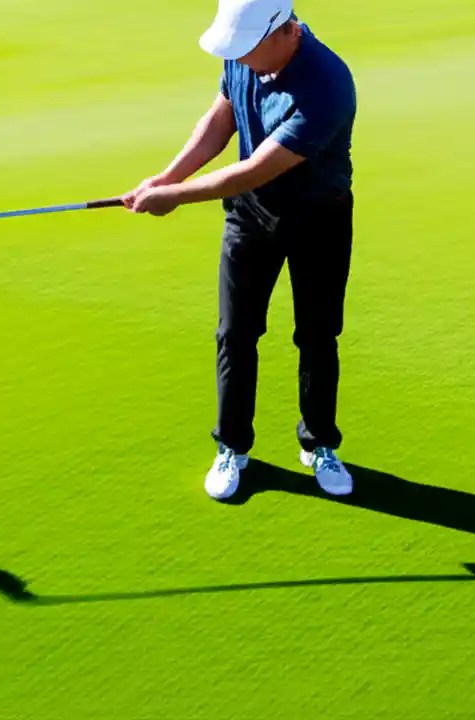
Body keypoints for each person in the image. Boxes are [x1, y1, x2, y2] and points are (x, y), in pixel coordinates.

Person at [123, 0, 357, 501]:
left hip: (319, 217)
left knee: (317, 335)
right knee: (235, 332)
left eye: (249, 51)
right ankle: (233, 445)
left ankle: (319, 444)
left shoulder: (328, 83)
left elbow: (259, 167)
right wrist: (166, 177)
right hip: (250, 216)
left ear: (286, 32)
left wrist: (176, 197)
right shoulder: (245, 50)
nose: (242, 60)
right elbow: (221, 117)